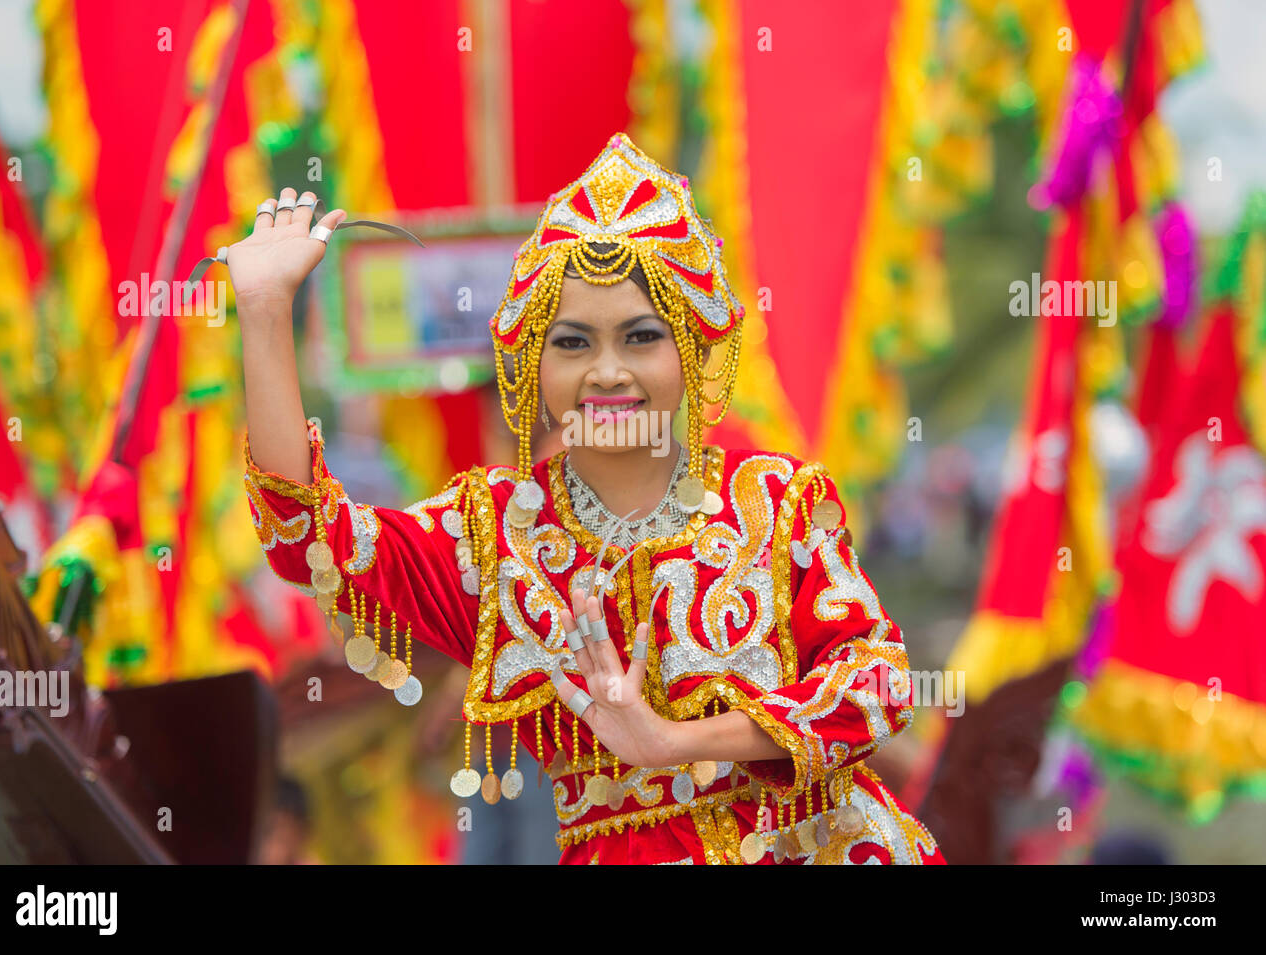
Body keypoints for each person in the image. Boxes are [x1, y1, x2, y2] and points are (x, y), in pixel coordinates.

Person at [231, 133, 946, 865]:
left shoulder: (772, 498)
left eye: (640, 337)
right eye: (573, 343)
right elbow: (310, 537)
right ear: (534, 363)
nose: (607, 371)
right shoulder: (498, 535)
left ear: (692, 350)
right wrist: (263, 313)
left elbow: (877, 682)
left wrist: (678, 742)